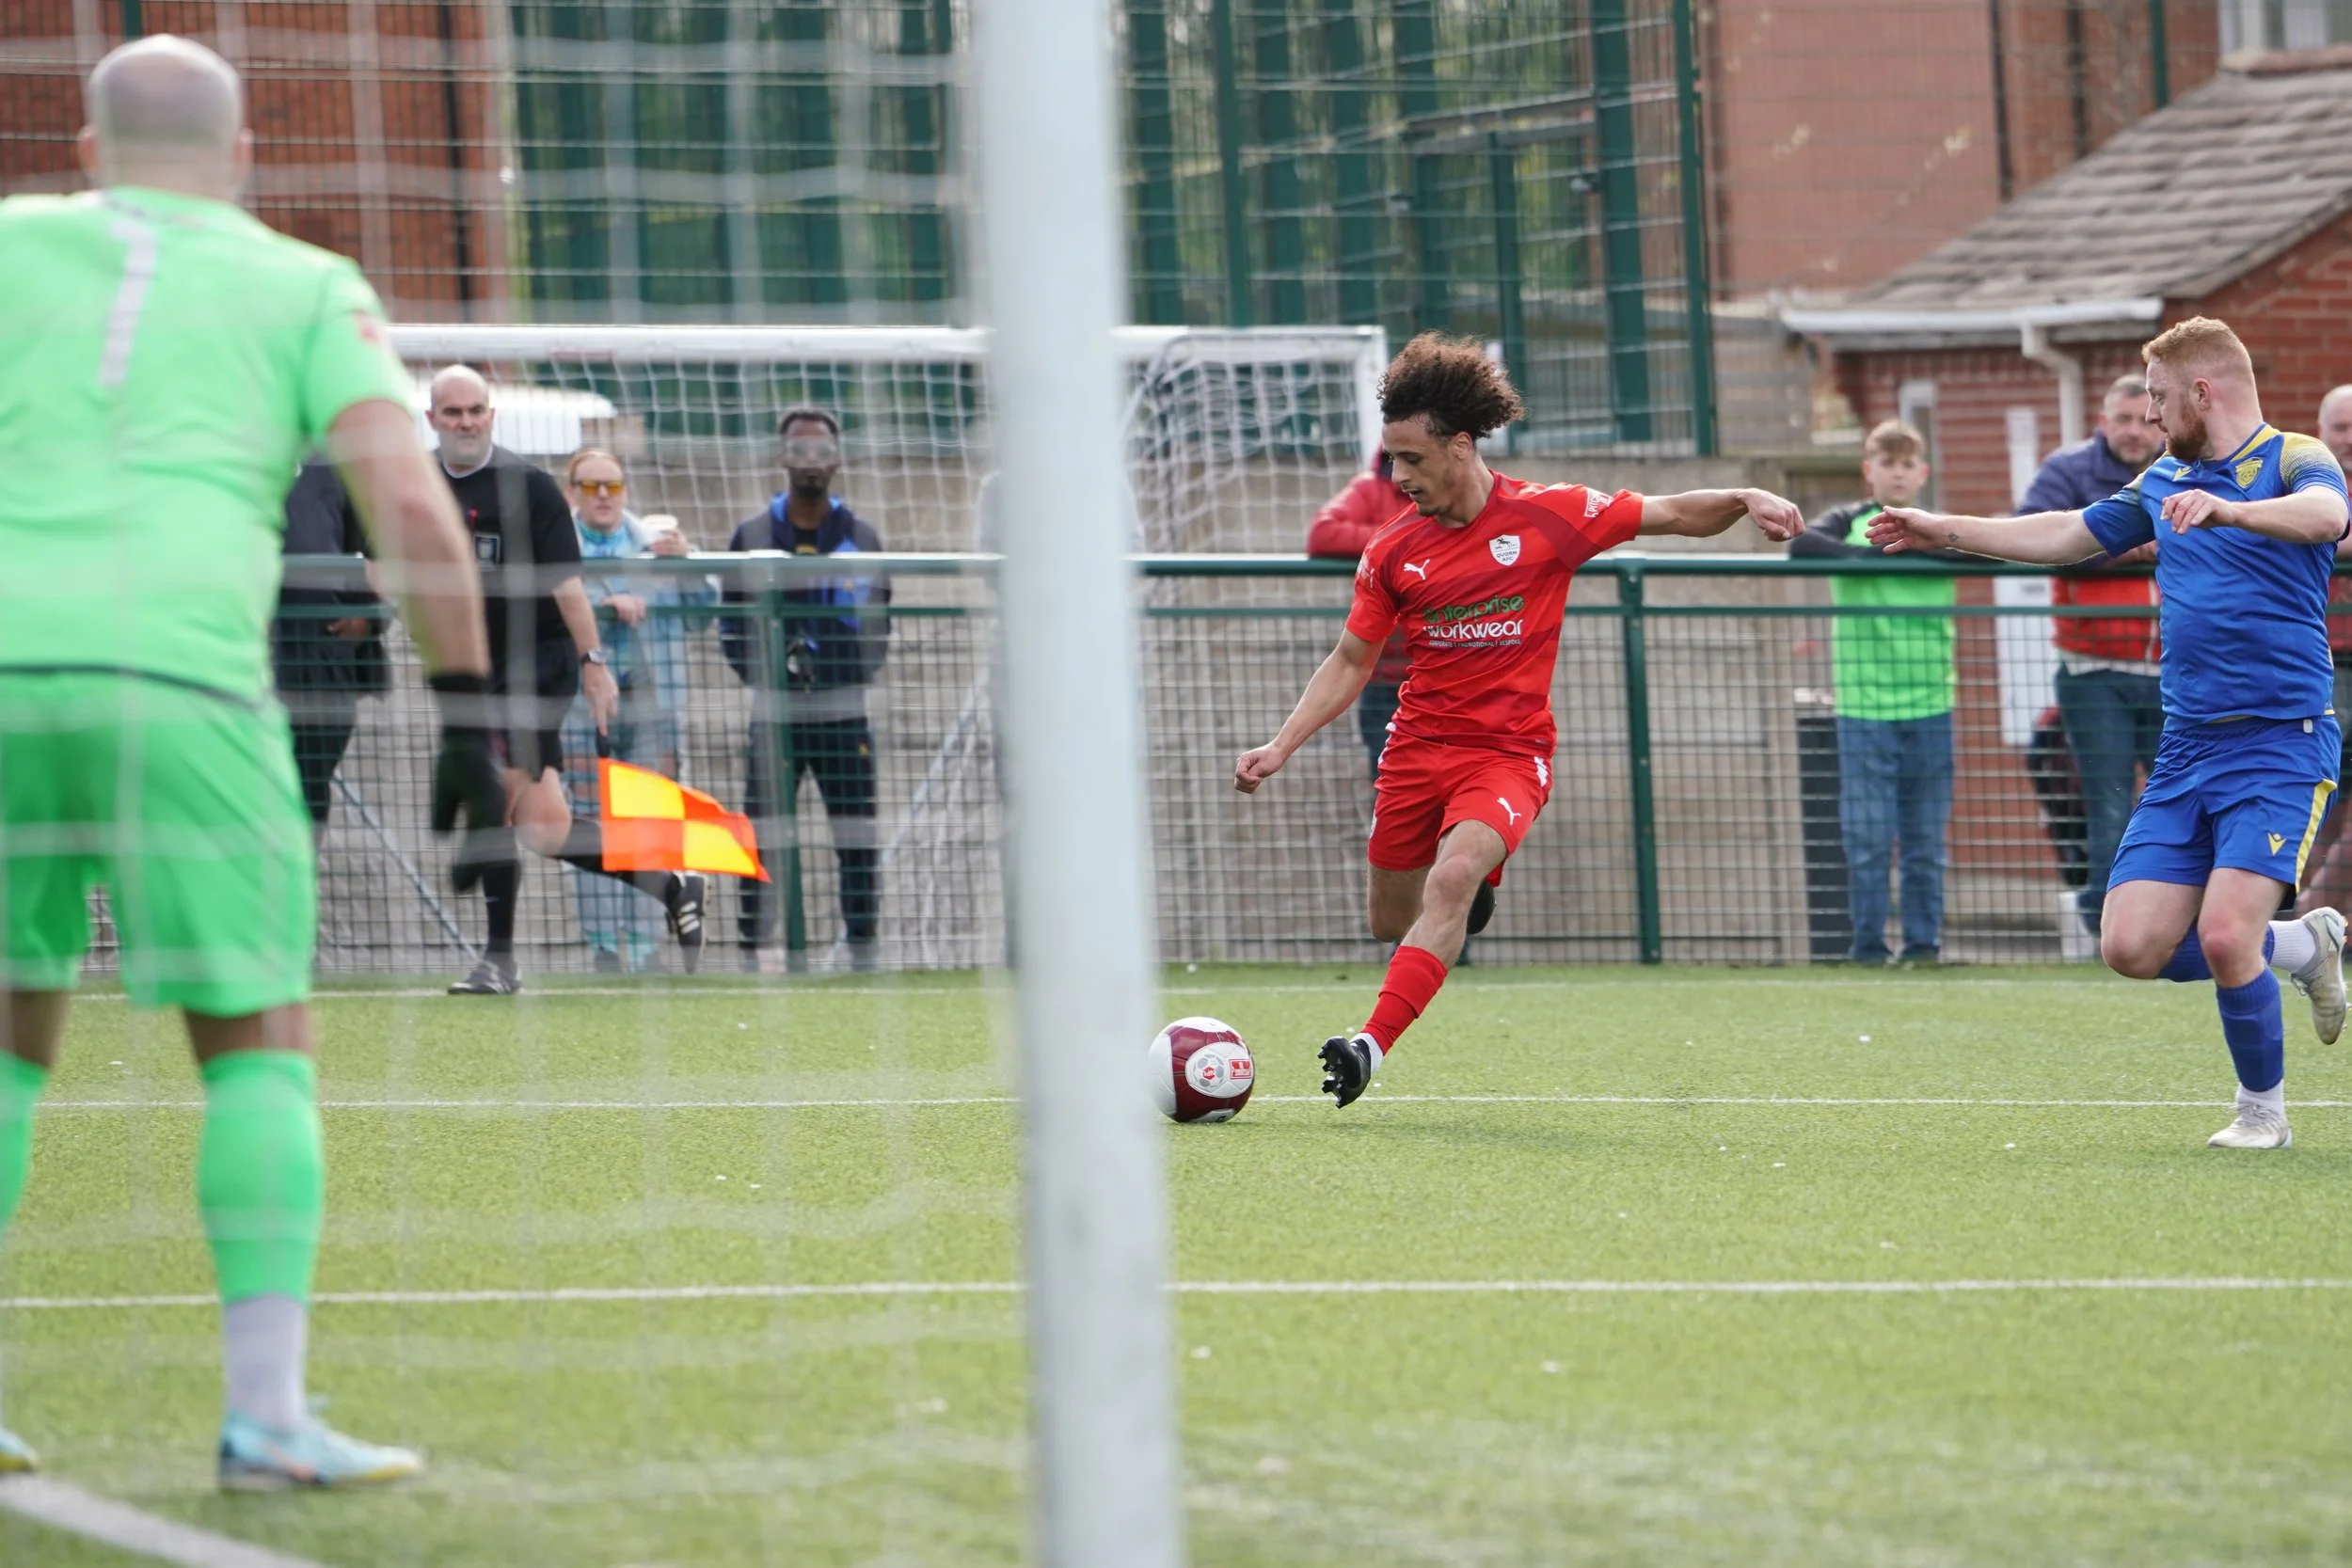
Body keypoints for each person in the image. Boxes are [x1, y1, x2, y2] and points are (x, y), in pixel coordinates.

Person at [0, 34, 507, 1484]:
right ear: (240, 160)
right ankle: (267, 1415)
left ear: (88, 154)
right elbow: (409, 508)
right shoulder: (302, 282)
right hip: (184, 685)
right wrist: (472, 713)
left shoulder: (11, 245)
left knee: (5, 1038)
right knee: (256, 1042)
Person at [1232, 334, 1803, 1107]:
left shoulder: (1549, 515)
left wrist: (1744, 500)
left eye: (1412, 459)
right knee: (1389, 921)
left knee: (1455, 875)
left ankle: (1369, 1044)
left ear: (1460, 445)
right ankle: (1465, 897)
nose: (1398, 479)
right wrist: (1280, 744)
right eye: (1390, 461)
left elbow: (1670, 513)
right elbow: (1350, 661)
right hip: (1415, 748)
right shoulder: (1392, 551)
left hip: (1508, 753)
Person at [1868, 317, 2350, 1150]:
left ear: (2204, 390)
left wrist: (2234, 513)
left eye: (2161, 399)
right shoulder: (2164, 478)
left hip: (2281, 738)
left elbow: (2326, 517)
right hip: (2188, 746)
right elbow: (2066, 532)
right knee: (2130, 945)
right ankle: (2304, 944)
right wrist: (1943, 527)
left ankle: (2261, 1113)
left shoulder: (2295, 456)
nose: (2154, 419)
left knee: (2224, 934)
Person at [427, 367, 707, 993]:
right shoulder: (418, 485)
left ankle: (499, 960)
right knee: (545, 828)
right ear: (433, 420)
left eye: (476, 410)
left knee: (491, 794)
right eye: (453, 413)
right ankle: (671, 881)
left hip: (542, 662)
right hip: (476, 670)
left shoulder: (529, 487)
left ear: (491, 415)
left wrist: (594, 662)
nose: (466, 421)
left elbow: (567, 586)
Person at [722, 408, 892, 973]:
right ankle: (753, 950)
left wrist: (840, 673)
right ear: (782, 457)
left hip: (844, 712)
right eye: (800, 450)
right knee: (762, 834)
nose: (811, 461)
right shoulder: (751, 536)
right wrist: (769, 676)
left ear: (839, 459)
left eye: (822, 451)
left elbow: (877, 628)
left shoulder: (862, 538)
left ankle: (862, 950)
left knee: (856, 835)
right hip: (775, 715)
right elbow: (732, 627)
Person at [1788, 420, 1961, 964]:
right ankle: (1866, 949)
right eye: (1888, 463)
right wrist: (1869, 557)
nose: (1899, 472)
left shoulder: (1940, 527)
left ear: (1923, 473)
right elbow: (1801, 544)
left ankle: (1923, 947)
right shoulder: (1847, 522)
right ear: (1870, 472)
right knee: (1865, 839)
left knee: (1924, 844)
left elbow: (1985, 549)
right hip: (1863, 709)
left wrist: (1922, 547)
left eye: (1908, 464)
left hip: (1933, 704)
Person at [2026, 374, 2167, 936]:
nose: (2134, 432)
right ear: (2103, 421)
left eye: (2144, 420)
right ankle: (2105, 930)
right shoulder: (2069, 472)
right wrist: (2132, 548)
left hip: (2175, 670)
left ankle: (2168, 926)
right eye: (2123, 420)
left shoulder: (2186, 470)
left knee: (2175, 807)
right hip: (2094, 671)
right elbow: (2035, 540)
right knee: (2108, 807)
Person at [557, 448, 703, 972]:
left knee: (649, 818)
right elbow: (540, 607)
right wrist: (602, 605)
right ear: (571, 491)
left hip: (651, 707)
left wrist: (688, 568)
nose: (602, 496)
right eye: (591, 486)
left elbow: (701, 616)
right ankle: (604, 946)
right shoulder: (554, 541)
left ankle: (645, 947)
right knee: (590, 823)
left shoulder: (657, 540)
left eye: (612, 487)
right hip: (581, 706)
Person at [273, 461, 386, 834]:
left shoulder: (337, 465)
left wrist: (368, 616)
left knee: (310, 785)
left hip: (324, 656)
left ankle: (298, 885)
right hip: (251, 655)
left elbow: (378, 550)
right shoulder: (232, 456)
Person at [1305, 453, 1415, 776]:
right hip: (1383, 676)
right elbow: (1323, 533)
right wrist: (1404, 541)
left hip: (1448, 672)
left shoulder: (1460, 489)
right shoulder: (1372, 488)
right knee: (1389, 781)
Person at [2295, 384, 2352, 912]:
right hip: (2324, 661)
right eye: (2341, 428)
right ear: (2322, 432)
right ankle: (2316, 920)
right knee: (2319, 796)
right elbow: (2326, 528)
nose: (2350, 439)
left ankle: (2318, 918)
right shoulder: (2310, 480)